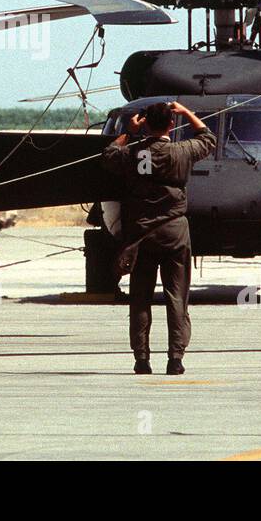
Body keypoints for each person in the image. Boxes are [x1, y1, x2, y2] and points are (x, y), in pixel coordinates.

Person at [102, 101, 216, 375]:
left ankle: (142, 359)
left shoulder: (133, 152)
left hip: (140, 234)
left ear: (146, 123)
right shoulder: (181, 151)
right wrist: (188, 111)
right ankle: (175, 358)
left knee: (140, 298)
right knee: (176, 296)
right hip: (175, 232)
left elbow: (109, 154)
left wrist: (130, 132)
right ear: (171, 124)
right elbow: (208, 139)